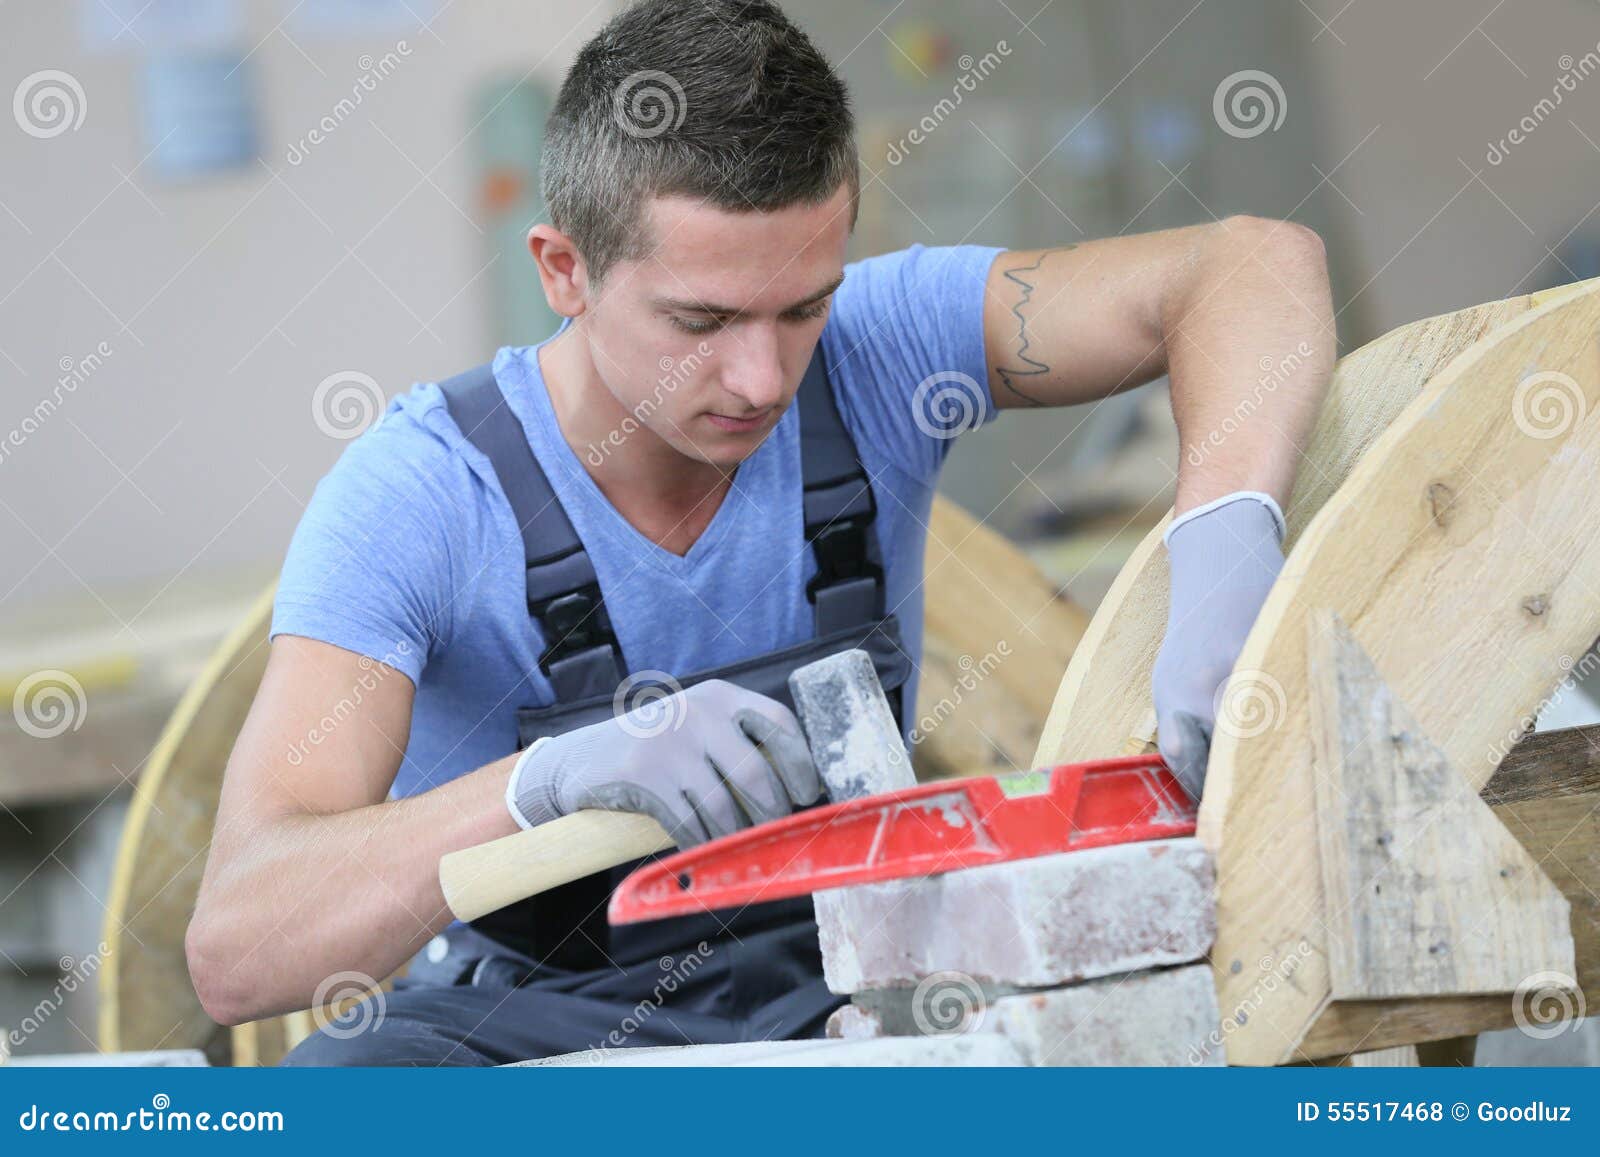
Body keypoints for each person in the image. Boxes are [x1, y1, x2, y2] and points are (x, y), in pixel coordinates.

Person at [186, 0, 1335, 1066]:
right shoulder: (424, 496)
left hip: (860, 976)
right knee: (341, 1087)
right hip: (537, 1019)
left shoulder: (884, 352)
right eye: (701, 319)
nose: (759, 376)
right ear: (563, 270)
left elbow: (1251, 264)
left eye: (802, 306)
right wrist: (540, 783)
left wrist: (1225, 537)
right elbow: (237, 944)